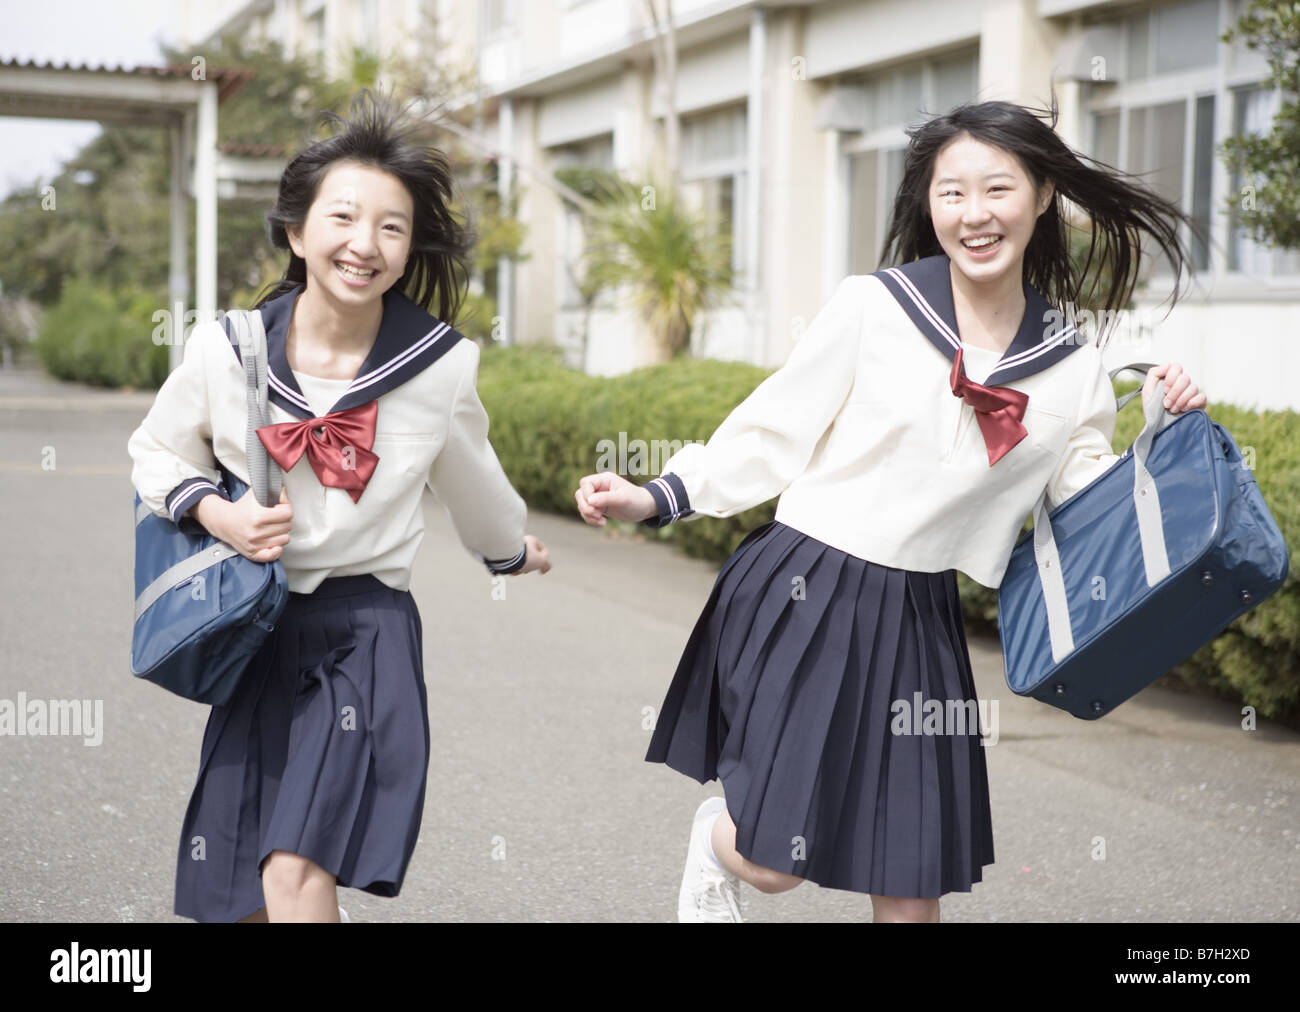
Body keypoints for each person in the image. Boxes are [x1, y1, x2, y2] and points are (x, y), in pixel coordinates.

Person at [574, 96, 1208, 923]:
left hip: (921, 615)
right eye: (952, 193)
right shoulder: (873, 308)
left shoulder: (1074, 367)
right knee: (771, 863)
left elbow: (1089, 504)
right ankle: (713, 846)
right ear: (929, 203)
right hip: (807, 588)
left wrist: (1163, 426)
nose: (973, 214)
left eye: (997, 189)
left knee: (911, 884)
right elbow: (772, 433)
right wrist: (658, 494)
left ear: (1044, 194)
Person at [128, 89, 550, 923]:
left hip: (365, 635)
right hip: (255, 625)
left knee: (293, 870)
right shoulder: (228, 348)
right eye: (344, 218)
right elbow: (155, 450)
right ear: (296, 232)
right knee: (236, 892)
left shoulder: (439, 368)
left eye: (391, 227)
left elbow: (475, 482)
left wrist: (511, 550)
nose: (365, 244)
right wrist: (219, 515)